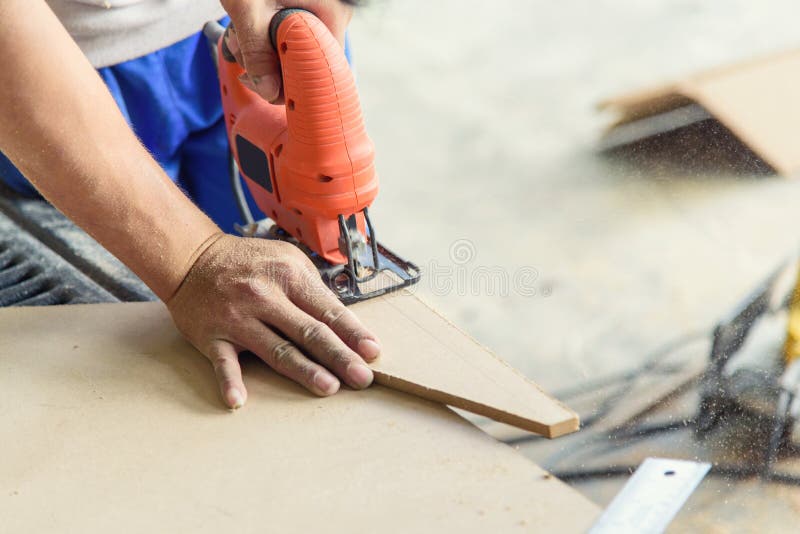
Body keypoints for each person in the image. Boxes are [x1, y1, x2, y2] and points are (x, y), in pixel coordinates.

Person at [0, 0, 381, 409]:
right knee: (151, 314)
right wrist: (193, 261)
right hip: (57, 67)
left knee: (289, 237)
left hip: (257, 31)